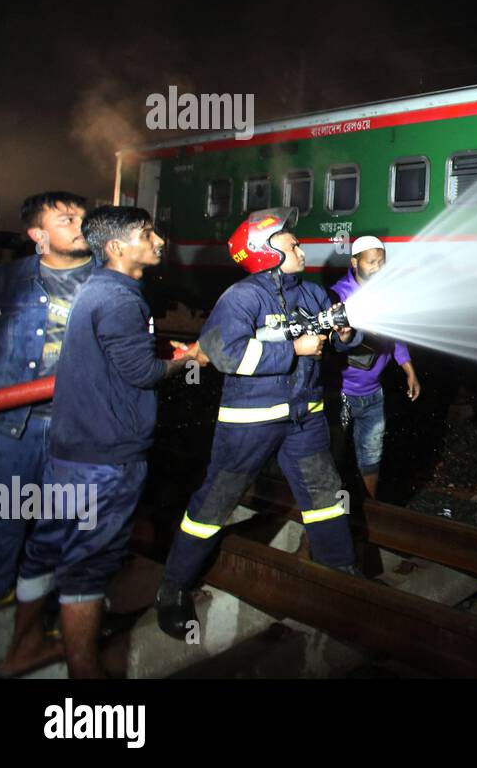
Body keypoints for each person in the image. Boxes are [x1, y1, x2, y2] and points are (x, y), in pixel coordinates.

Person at [0, 206, 205, 677]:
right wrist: (192, 358)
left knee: (46, 547)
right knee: (88, 568)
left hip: (68, 452)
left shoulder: (95, 289)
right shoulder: (120, 299)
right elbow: (142, 373)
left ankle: (21, 651)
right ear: (115, 248)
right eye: (146, 234)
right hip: (106, 462)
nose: (158, 241)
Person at [154, 207, 364, 640]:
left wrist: (347, 336)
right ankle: (173, 588)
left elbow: (337, 340)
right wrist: (293, 351)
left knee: (325, 497)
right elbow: (223, 352)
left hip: (305, 417)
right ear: (265, 251)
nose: (302, 248)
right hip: (249, 422)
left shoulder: (312, 293)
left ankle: (340, 583)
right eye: (292, 243)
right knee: (214, 504)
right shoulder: (241, 297)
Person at [0, 192, 97, 609]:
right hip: (11, 426)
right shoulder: (7, 280)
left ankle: (50, 609)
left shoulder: (110, 282)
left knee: (66, 522)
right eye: (67, 220)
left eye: (83, 219)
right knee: (4, 518)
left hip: (76, 426)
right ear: (38, 234)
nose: (80, 227)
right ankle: (1, 597)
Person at [328, 235, 419, 499]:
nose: (378, 268)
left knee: (371, 457)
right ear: (355, 262)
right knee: (335, 457)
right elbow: (334, 344)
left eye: (382, 262)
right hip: (342, 395)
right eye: (372, 262)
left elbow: (395, 336)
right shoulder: (338, 294)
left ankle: (371, 511)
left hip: (374, 394)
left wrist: (408, 369)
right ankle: (333, 517)